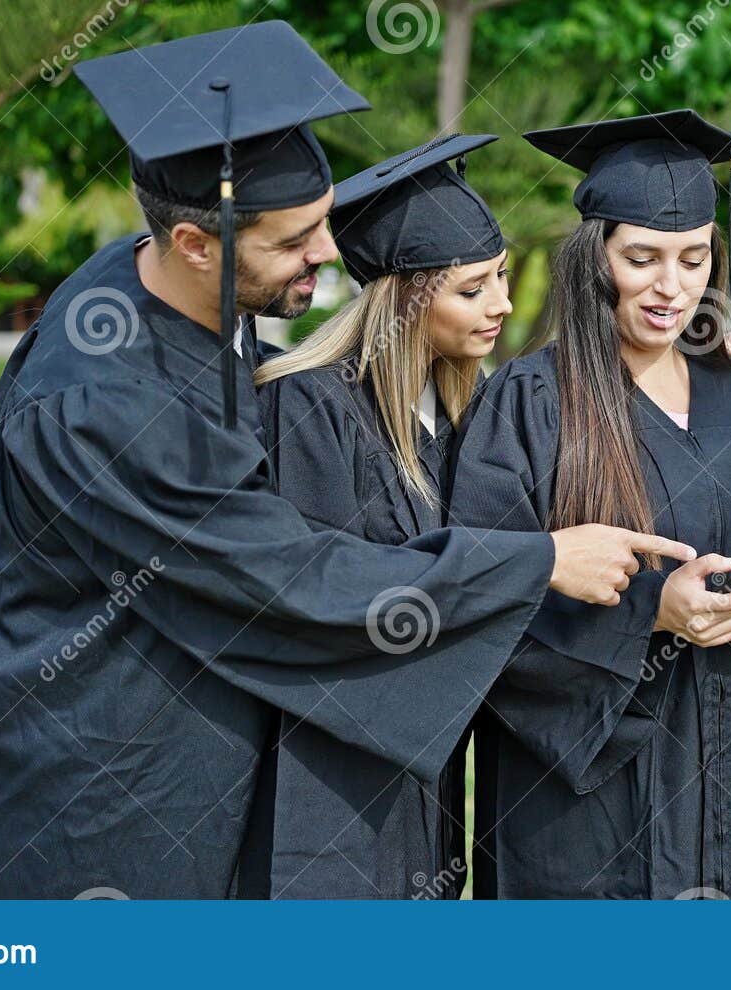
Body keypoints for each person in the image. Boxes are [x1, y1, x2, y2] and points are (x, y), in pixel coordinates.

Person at [0, 23, 692, 900]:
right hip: (99, 784)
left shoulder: (165, 286)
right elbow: (290, 578)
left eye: (322, 224)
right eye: (295, 240)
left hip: (180, 739)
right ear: (194, 242)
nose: (328, 253)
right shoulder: (109, 408)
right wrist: (540, 561)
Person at [450, 110, 731, 899]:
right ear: (594, 258)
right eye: (642, 258)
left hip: (727, 772)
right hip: (578, 805)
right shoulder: (532, 402)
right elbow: (478, 587)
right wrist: (648, 614)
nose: (672, 286)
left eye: (694, 258)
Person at [244, 134, 515, 899]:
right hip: (330, 782)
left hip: (426, 771)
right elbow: (318, 605)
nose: (501, 304)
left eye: (502, 277)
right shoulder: (308, 408)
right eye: (472, 288)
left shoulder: (469, 412)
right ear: (405, 301)